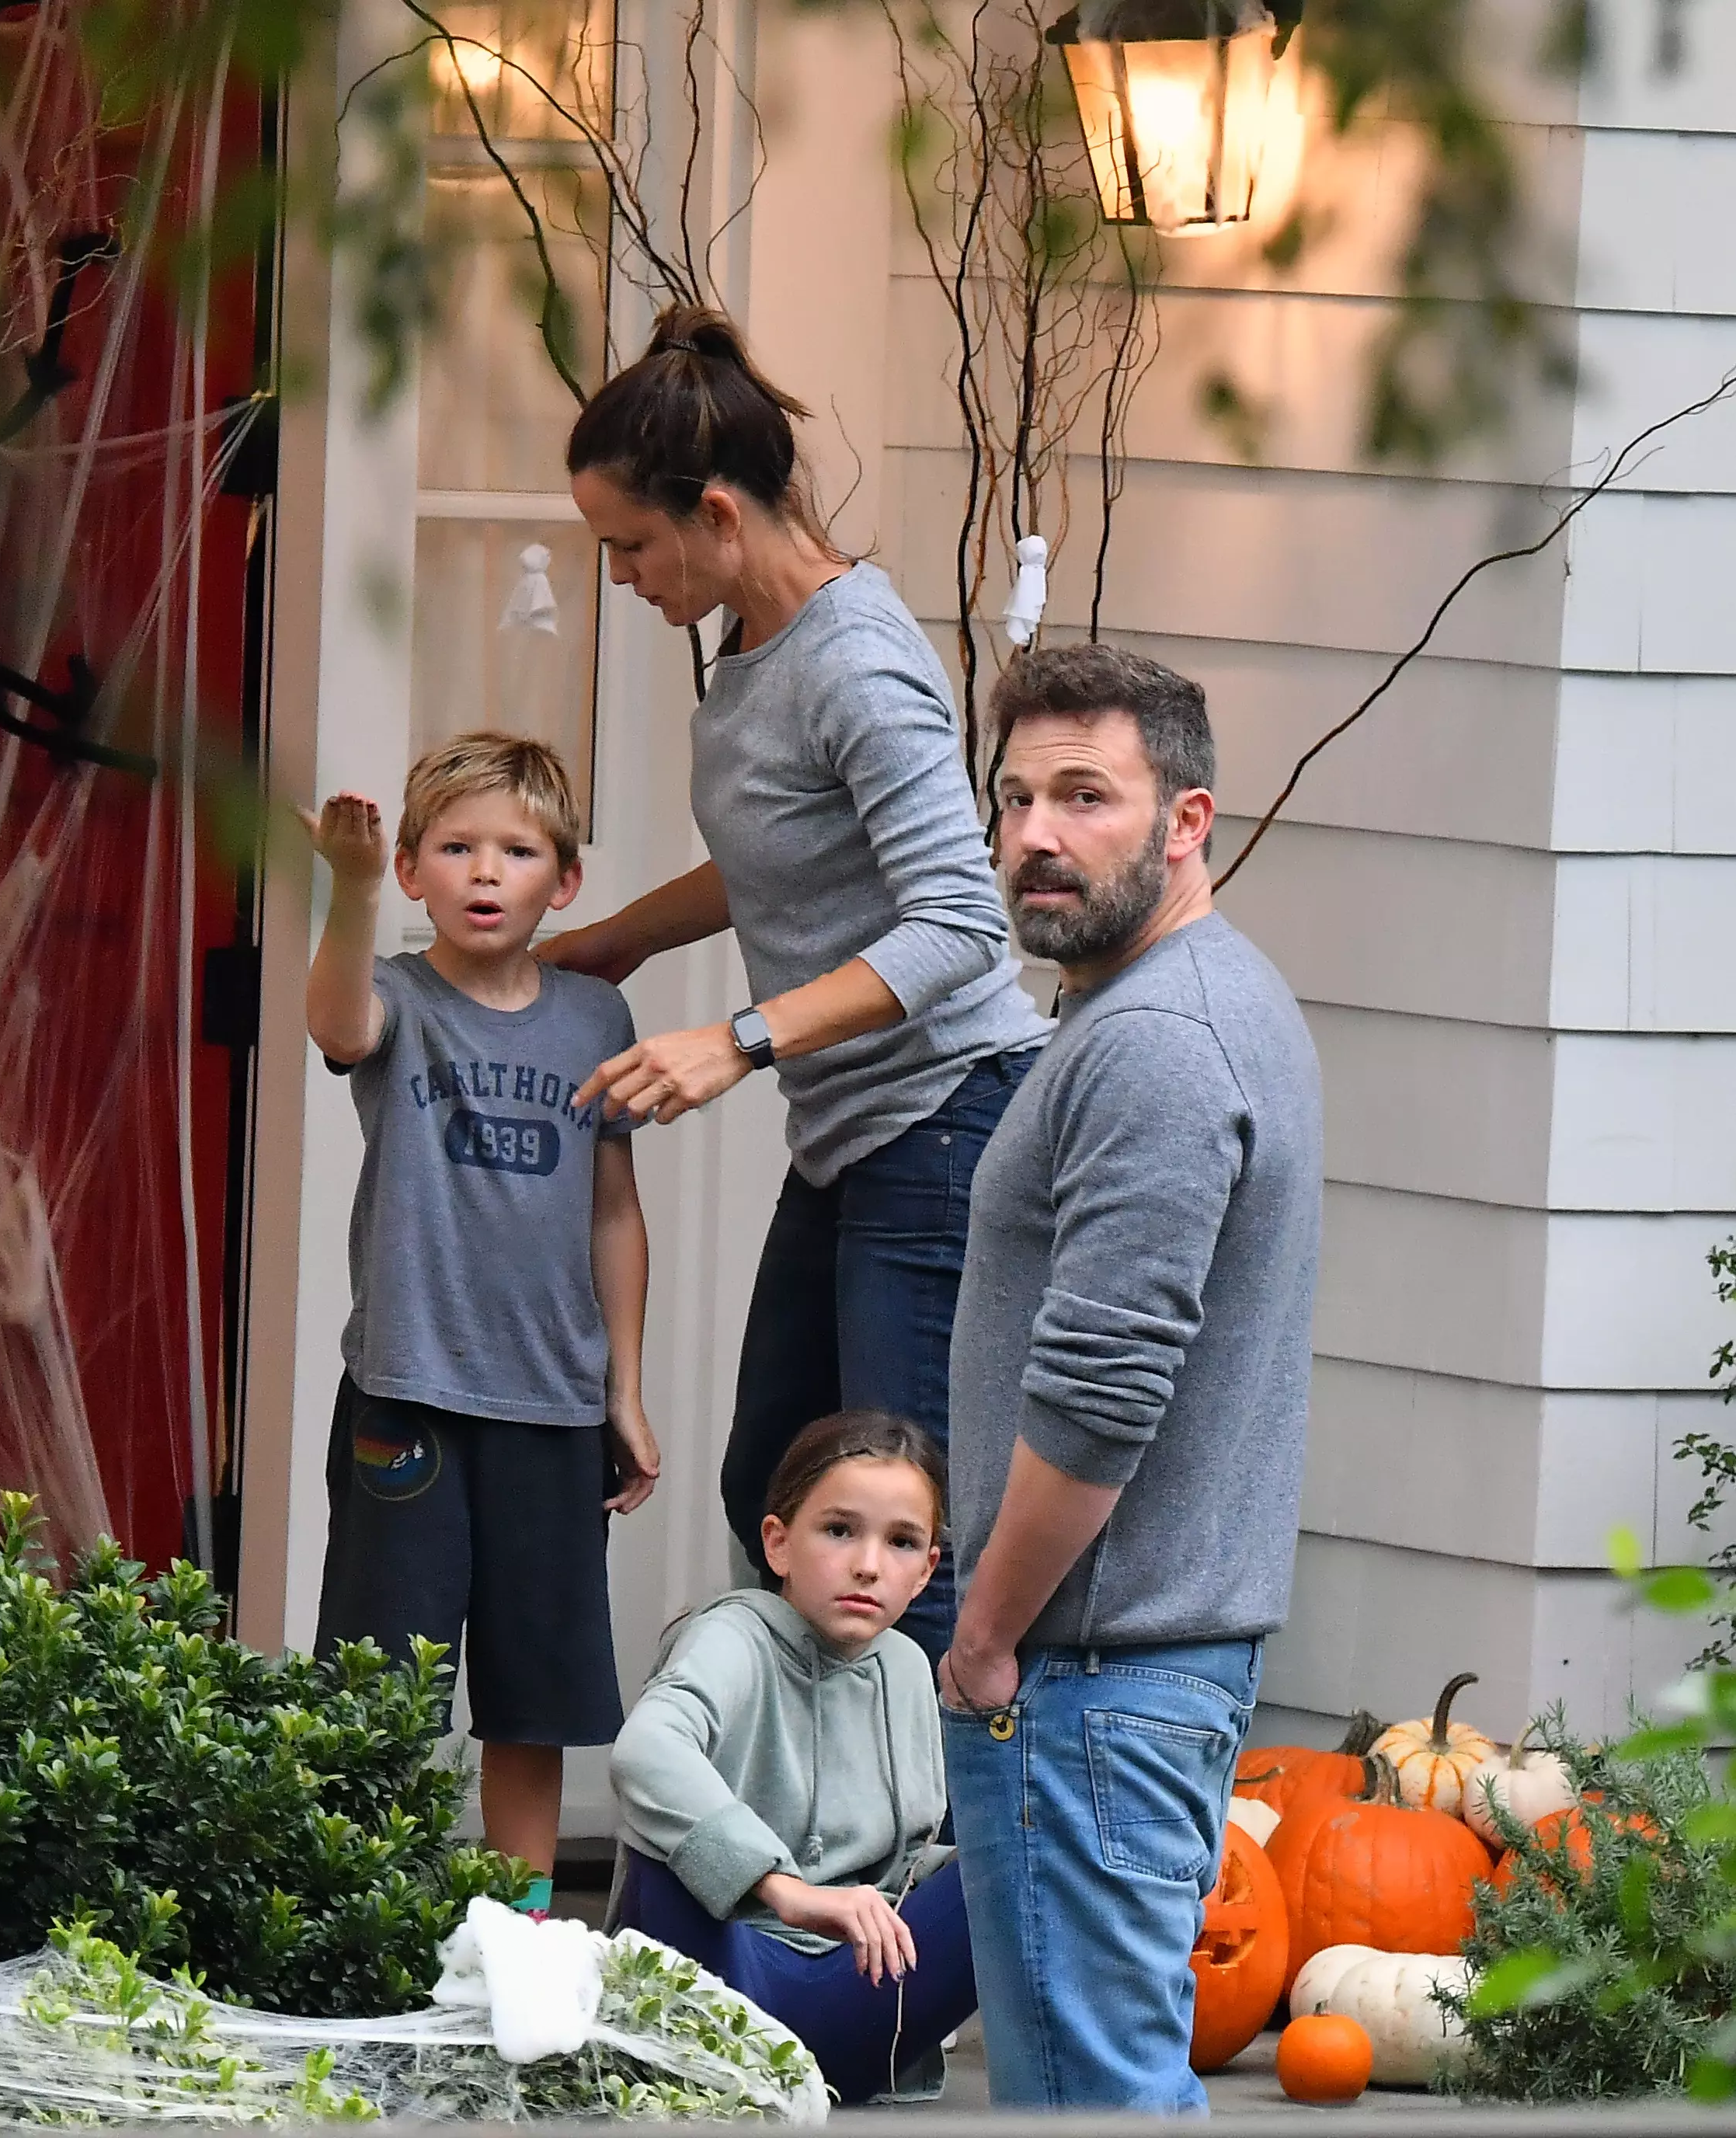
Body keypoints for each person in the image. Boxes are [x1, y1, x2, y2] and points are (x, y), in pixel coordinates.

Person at [541, 304, 1049, 1669]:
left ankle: (930, 1865)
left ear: (714, 513)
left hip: (946, 1125)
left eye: (632, 547)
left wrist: (742, 1039)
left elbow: (961, 924)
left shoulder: (858, 662)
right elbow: (783, 851)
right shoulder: (755, 645)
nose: (627, 578)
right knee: (773, 1488)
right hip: (854, 1143)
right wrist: (622, 939)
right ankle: (807, 1820)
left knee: (892, 1530)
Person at [937, 646, 1324, 2112]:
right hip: (1136, 1664)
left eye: (1086, 795)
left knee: (1085, 2099)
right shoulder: (1198, 997)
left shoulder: (1157, 1043)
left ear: (1185, 820)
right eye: (1017, 794)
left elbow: (1105, 1393)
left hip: (1089, 1673)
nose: (1035, 832)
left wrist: (983, 1637)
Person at [301, 732, 656, 1912]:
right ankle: (363, 1912)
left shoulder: (596, 1020)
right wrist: (347, 898)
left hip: (553, 1404)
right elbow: (338, 1028)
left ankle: (521, 1931)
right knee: (382, 1684)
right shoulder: (396, 997)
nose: (485, 871)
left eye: (517, 850)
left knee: (532, 1691)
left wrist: (626, 1388)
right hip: (409, 1392)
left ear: (565, 880)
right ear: (411, 872)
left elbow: (614, 1209)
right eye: (455, 848)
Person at [607, 1410, 979, 2105]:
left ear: (927, 1570)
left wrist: (967, 1877)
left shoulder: (905, 1668)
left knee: (1017, 1862)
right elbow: (645, 1750)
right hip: (722, 1990)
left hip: (858, 1998)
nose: (868, 1564)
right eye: (839, 1531)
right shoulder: (734, 1637)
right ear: (778, 1543)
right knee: (664, 1845)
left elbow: (900, 1869)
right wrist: (785, 1889)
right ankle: (691, 2068)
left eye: (901, 1542)